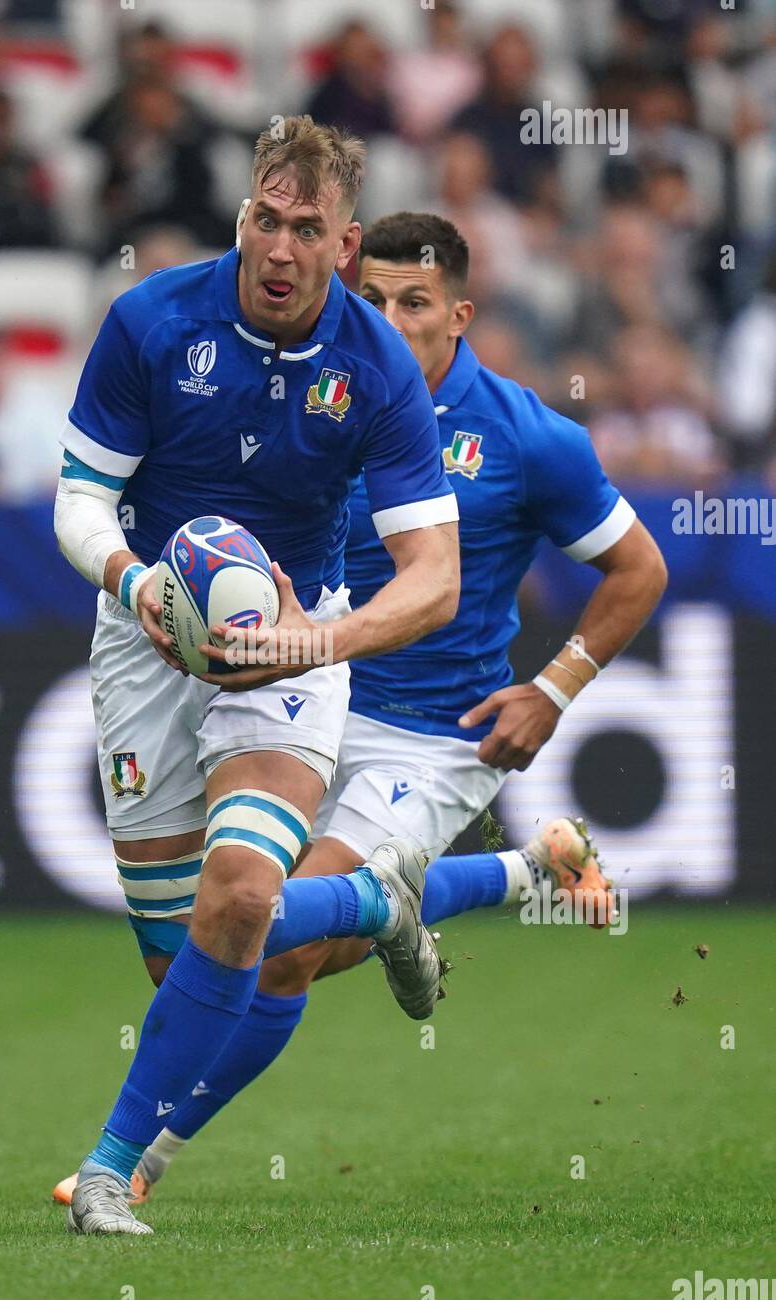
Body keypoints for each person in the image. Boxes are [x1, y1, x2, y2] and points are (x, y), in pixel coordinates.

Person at [89, 212, 668, 1209]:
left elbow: (637, 567)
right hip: (319, 698)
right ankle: (520, 870)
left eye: (414, 304)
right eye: (373, 301)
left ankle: (132, 1160)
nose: (390, 321)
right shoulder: (325, 404)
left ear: (460, 314)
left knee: (274, 938)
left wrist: (553, 686)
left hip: (437, 732)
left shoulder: (529, 436)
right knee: (232, 945)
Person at [52, 119, 460, 1237]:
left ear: (346, 240)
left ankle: (109, 1169)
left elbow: (433, 580)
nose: (279, 249)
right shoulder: (150, 319)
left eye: (305, 230)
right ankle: (377, 900)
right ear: (242, 217)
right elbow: (78, 501)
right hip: (145, 638)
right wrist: (136, 583)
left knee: (240, 897)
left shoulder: (375, 365)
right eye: (264, 221)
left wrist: (313, 645)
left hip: (292, 645)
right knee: (193, 962)